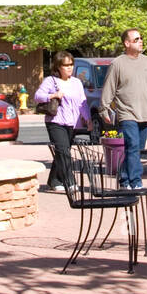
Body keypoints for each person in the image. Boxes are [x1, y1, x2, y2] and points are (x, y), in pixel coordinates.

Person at [100, 28, 147, 189]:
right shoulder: (117, 64)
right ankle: (136, 182)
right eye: (136, 39)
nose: (141, 41)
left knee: (136, 150)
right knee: (132, 146)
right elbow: (108, 88)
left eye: (141, 38)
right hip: (126, 114)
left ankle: (124, 180)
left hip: (144, 114)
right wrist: (103, 109)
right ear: (127, 43)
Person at [33, 51, 91, 194]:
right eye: (66, 65)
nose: (69, 68)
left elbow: (82, 103)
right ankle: (69, 181)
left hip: (72, 123)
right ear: (58, 67)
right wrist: (52, 95)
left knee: (62, 152)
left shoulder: (76, 82)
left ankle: (54, 180)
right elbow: (37, 96)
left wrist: (87, 118)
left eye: (71, 64)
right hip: (56, 121)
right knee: (63, 151)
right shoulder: (50, 81)